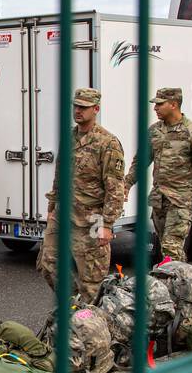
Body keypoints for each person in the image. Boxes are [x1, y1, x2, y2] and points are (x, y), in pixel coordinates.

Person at [36, 87, 126, 303]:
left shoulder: (107, 142)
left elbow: (115, 187)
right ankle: (74, 305)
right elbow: (59, 175)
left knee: (92, 280)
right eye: (76, 106)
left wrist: (107, 224)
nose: (78, 111)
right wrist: (51, 208)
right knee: (48, 263)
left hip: (92, 219)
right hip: (63, 213)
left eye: (84, 107)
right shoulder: (69, 137)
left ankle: (90, 319)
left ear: (96, 109)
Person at [123, 86, 192, 263]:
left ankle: (174, 287)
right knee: (166, 250)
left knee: (171, 248)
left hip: (181, 200)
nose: (155, 108)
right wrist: (127, 183)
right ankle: (180, 284)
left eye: (160, 104)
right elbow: (141, 160)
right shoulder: (154, 131)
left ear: (174, 104)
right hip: (159, 200)